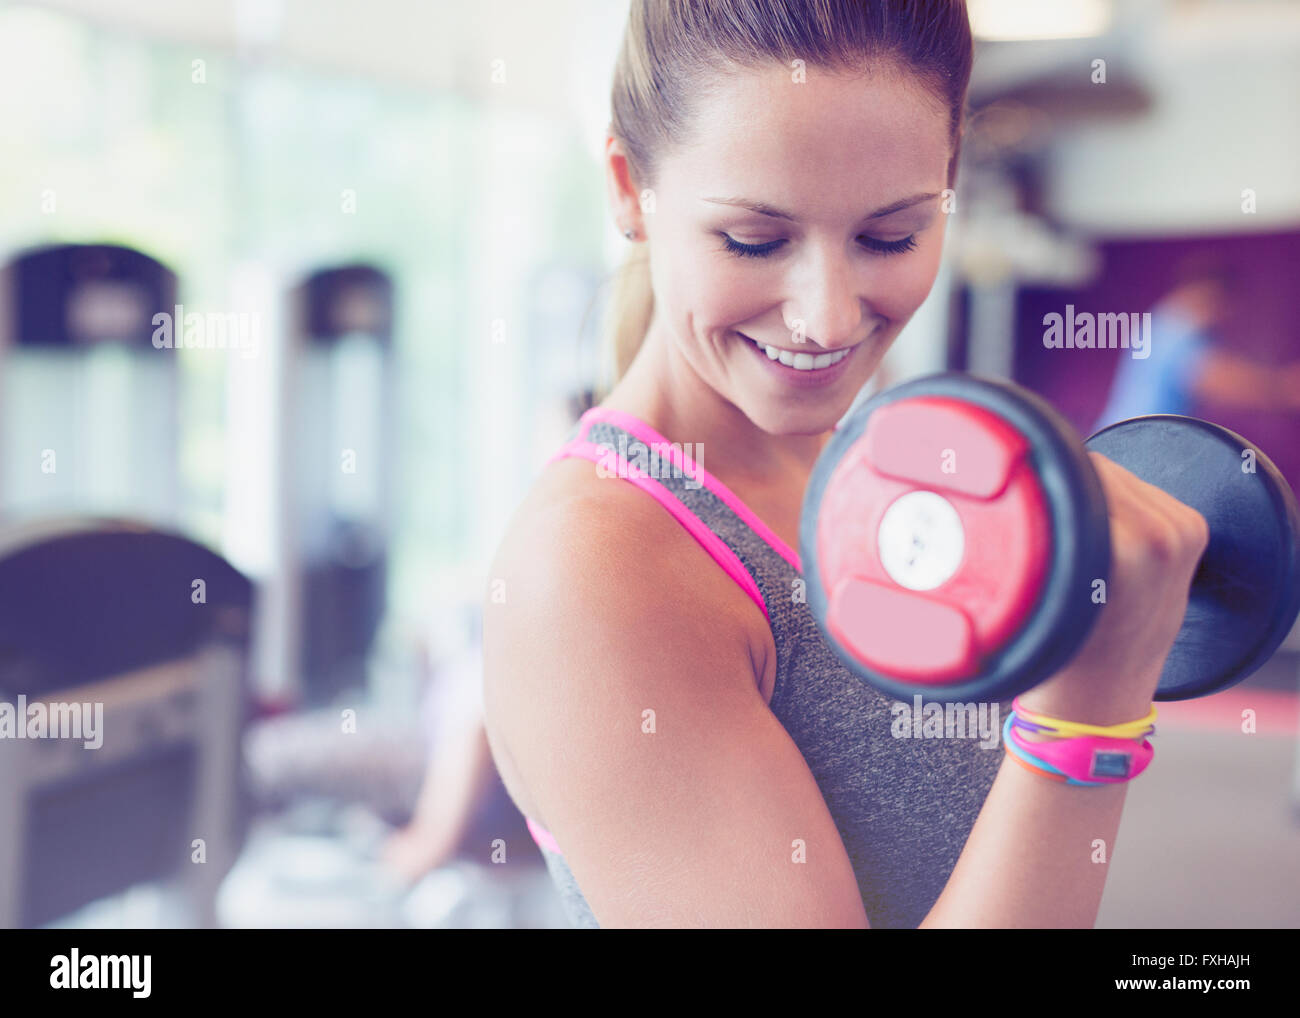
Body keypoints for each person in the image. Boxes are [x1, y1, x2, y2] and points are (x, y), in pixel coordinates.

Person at [483, 0, 1209, 928]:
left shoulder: (875, 480)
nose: (825, 319)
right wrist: (1087, 713)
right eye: (754, 240)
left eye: (890, 236)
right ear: (631, 189)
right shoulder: (592, 570)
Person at [1094, 256, 1300, 430]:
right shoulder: (1175, 327)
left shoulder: (1164, 321)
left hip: (1126, 446)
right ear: (1209, 294)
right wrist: (1282, 388)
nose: (1226, 316)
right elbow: (1220, 380)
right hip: (1127, 452)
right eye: (1225, 307)